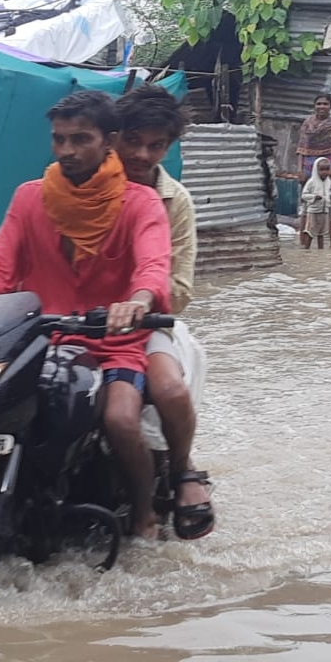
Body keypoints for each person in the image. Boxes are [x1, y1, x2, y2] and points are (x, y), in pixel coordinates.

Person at [0, 90, 172, 539]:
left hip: (111, 343)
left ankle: (145, 515)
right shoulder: (30, 198)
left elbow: (153, 265)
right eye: (59, 139)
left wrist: (139, 300)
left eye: (80, 139)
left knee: (121, 419)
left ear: (109, 141)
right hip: (38, 340)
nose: (67, 150)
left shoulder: (140, 203)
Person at [115, 84, 214, 540]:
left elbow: (181, 286)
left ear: (169, 147)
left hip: (148, 320)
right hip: (77, 317)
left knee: (170, 390)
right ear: (114, 136)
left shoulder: (176, 201)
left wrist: (137, 303)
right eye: (133, 140)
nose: (141, 153)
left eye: (156, 146)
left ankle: (181, 469)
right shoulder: (73, 186)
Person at [296, 94, 331, 184]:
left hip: (329, 165)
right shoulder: (307, 123)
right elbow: (301, 148)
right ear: (314, 106)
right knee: (308, 194)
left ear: (330, 106)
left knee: (326, 193)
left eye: (325, 104)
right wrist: (299, 170)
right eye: (319, 104)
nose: (322, 106)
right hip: (309, 165)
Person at [300, 156, 331, 250]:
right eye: (322, 169)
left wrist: (328, 202)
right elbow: (304, 195)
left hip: (324, 212)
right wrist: (314, 197)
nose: (325, 172)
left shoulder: (328, 182)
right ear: (316, 170)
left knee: (322, 233)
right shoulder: (311, 182)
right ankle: (306, 251)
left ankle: (320, 252)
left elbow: (329, 194)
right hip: (313, 212)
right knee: (310, 232)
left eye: (327, 169)